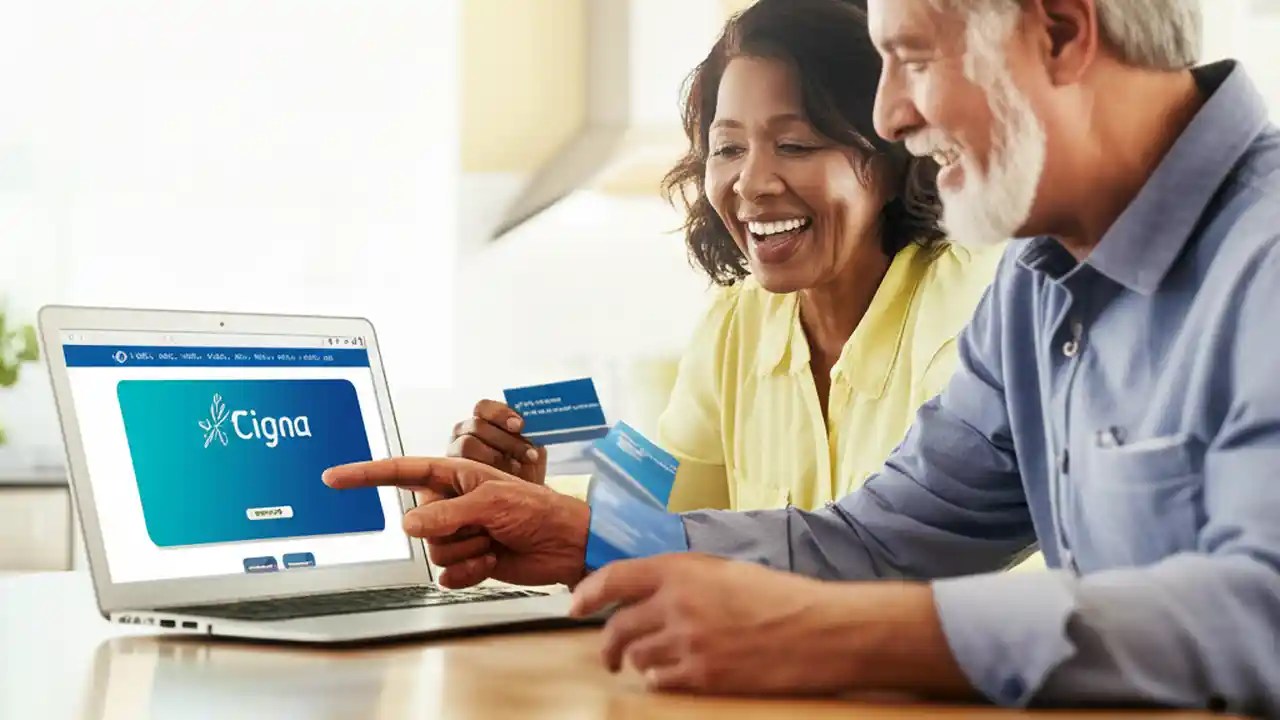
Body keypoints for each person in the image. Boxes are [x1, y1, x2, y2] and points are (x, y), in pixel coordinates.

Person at [325, 0, 1280, 714]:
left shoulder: (1259, 258)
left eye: (912, 59)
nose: (892, 116)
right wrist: (581, 535)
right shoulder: (1040, 281)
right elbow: (877, 541)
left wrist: (836, 635)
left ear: (1062, 33)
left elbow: (1261, 613)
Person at [444, 0, 1001, 513]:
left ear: (894, 157)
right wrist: (525, 491)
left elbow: (897, 550)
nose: (751, 183)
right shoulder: (738, 325)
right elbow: (654, 515)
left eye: (795, 145)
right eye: (728, 148)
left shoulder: (971, 317)